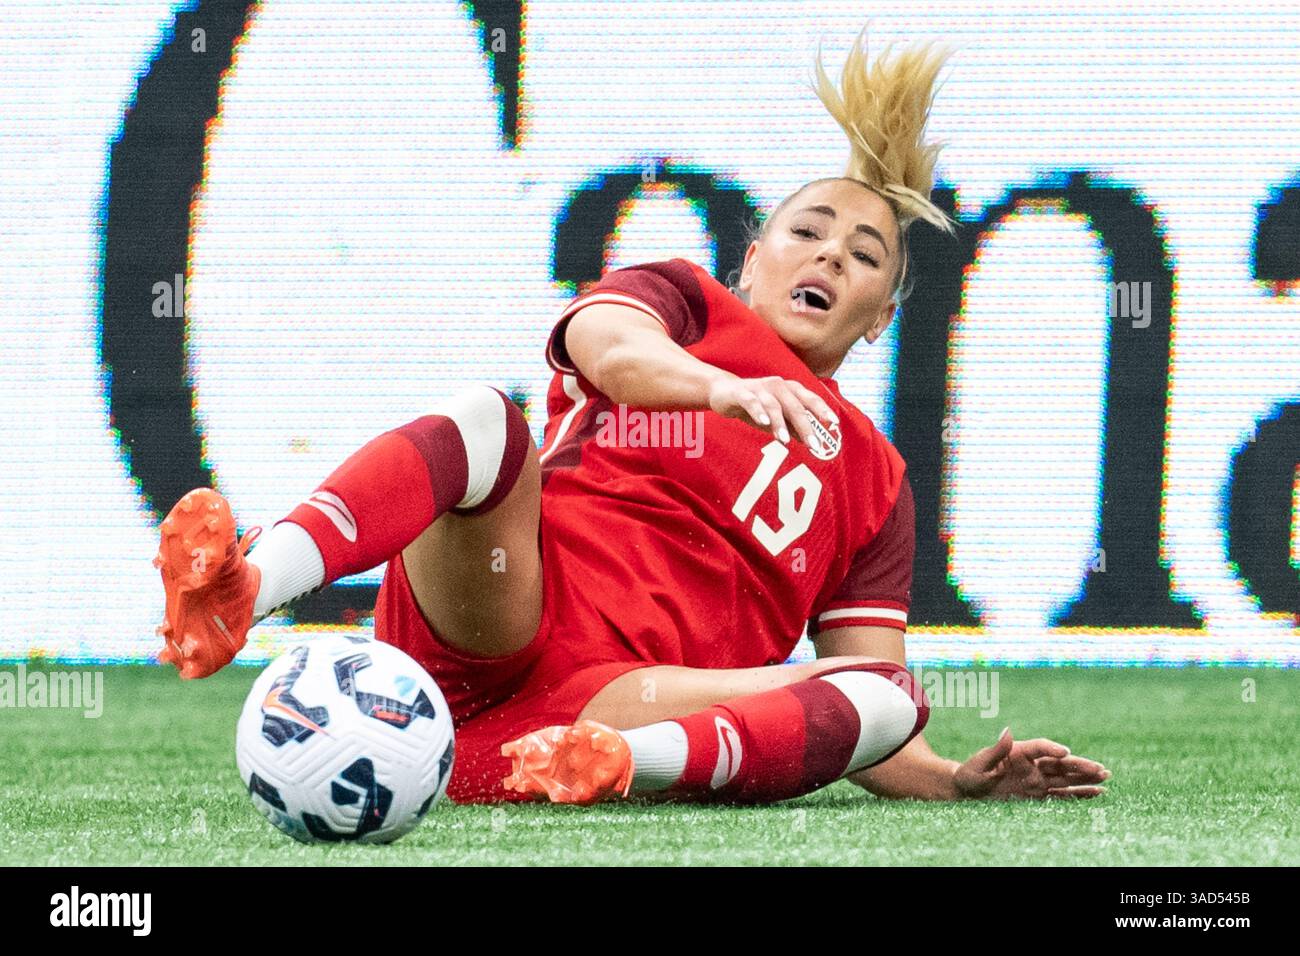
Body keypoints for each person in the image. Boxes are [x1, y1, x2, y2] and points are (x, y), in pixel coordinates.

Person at [154, 26, 1109, 806]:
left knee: (892, 696)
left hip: (621, 707)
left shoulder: (875, 481)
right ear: (754, 254)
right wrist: (715, 388)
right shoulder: (689, 304)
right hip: (499, 617)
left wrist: (952, 785)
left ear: (882, 318)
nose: (827, 258)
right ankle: (246, 586)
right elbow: (607, 347)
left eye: (863, 255)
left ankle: (603, 769)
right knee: (488, 419)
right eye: (807, 231)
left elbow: (846, 709)